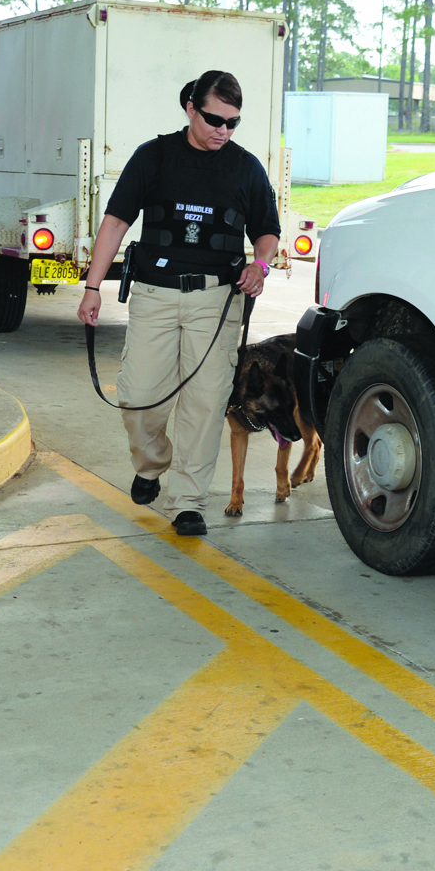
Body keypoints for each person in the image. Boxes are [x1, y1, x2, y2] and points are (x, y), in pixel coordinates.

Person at [77, 70, 280, 536]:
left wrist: (260, 265)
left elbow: (267, 230)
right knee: (139, 397)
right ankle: (151, 463)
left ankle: (188, 500)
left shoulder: (246, 167)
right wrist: (92, 287)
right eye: (214, 119)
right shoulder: (153, 157)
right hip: (154, 296)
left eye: (233, 123)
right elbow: (114, 223)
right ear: (191, 107)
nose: (222, 131)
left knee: (205, 405)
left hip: (217, 300)